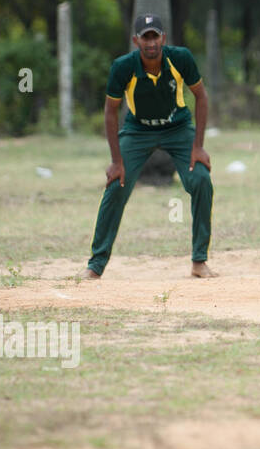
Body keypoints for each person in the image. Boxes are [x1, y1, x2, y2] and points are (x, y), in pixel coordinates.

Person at [84, 14, 216, 279]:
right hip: (138, 130)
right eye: (145, 37)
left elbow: (200, 97)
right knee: (116, 186)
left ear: (163, 38)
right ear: (136, 41)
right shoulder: (123, 67)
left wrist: (198, 147)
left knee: (201, 179)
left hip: (177, 128)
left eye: (155, 36)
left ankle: (199, 261)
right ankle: (96, 265)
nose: (151, 42)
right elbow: (111, 112)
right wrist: (116, 161)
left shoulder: (180, 59)